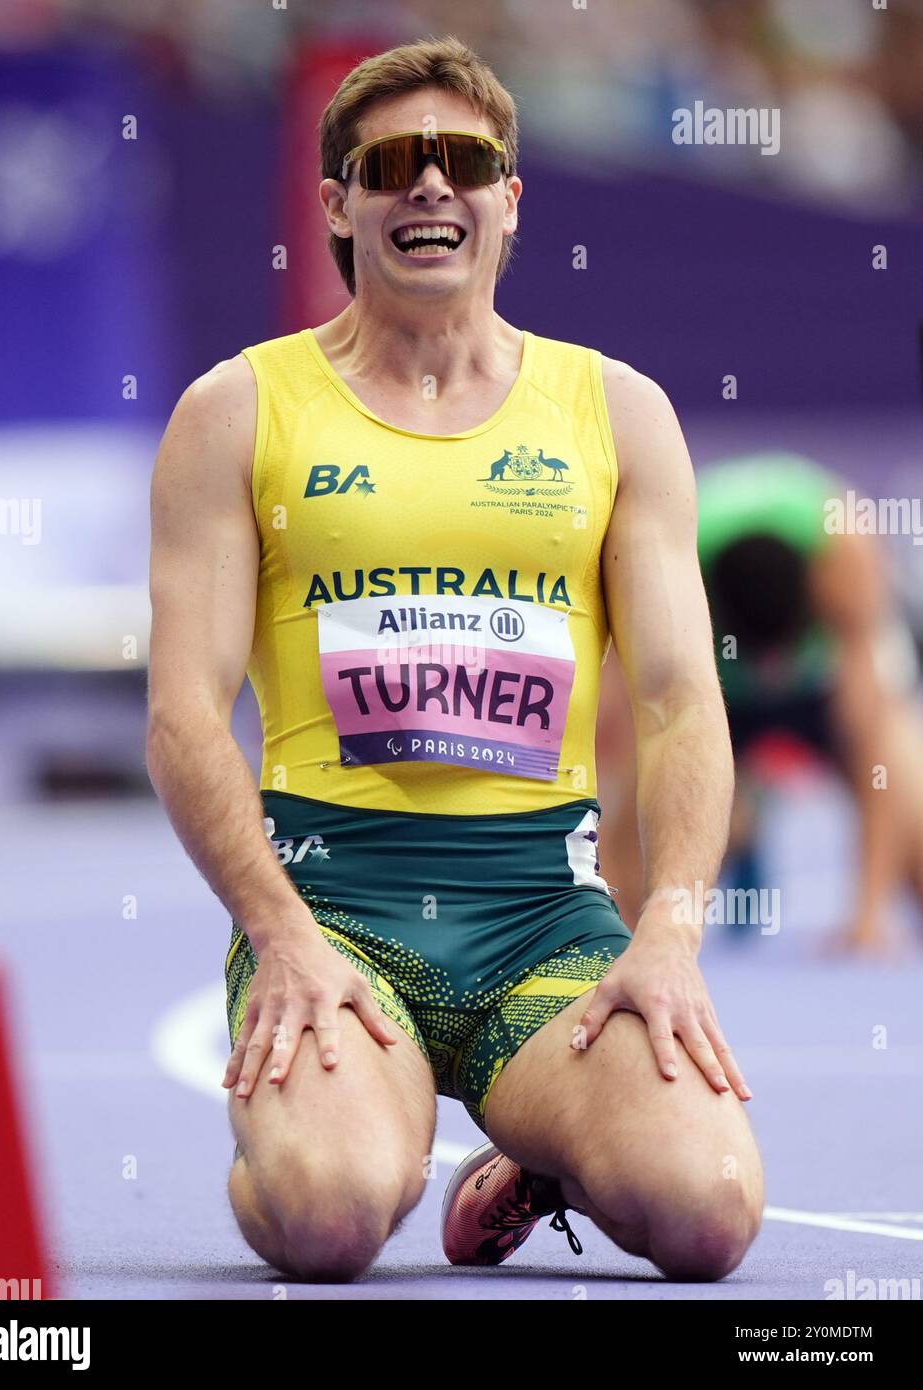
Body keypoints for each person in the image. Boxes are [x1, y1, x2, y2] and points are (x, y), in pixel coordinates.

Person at [146, 35, 763, 1281]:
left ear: (509, 199)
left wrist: (672, 936)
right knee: (325, 1221)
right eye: (392, 165)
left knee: (707, 1215)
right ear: (339, 204)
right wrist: (278, 931)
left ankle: (532, 1148)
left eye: (464, 160)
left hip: (546, 925)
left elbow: (683, 703)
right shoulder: (238, 410)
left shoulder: (618, 411)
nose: (431, 184)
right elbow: (183, 717)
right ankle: (334, 1129)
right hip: (333, 913)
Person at [596, 452, 923, 956]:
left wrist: (868, 918)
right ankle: (739, 821)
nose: (770, 676)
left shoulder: (845, 551)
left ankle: (746, 815)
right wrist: (620, 904)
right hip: (710, 683)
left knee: (897, 771)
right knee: (651, 782)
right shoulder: (667, 557)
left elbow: (870, 731)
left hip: (816, 685)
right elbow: (619, 728)